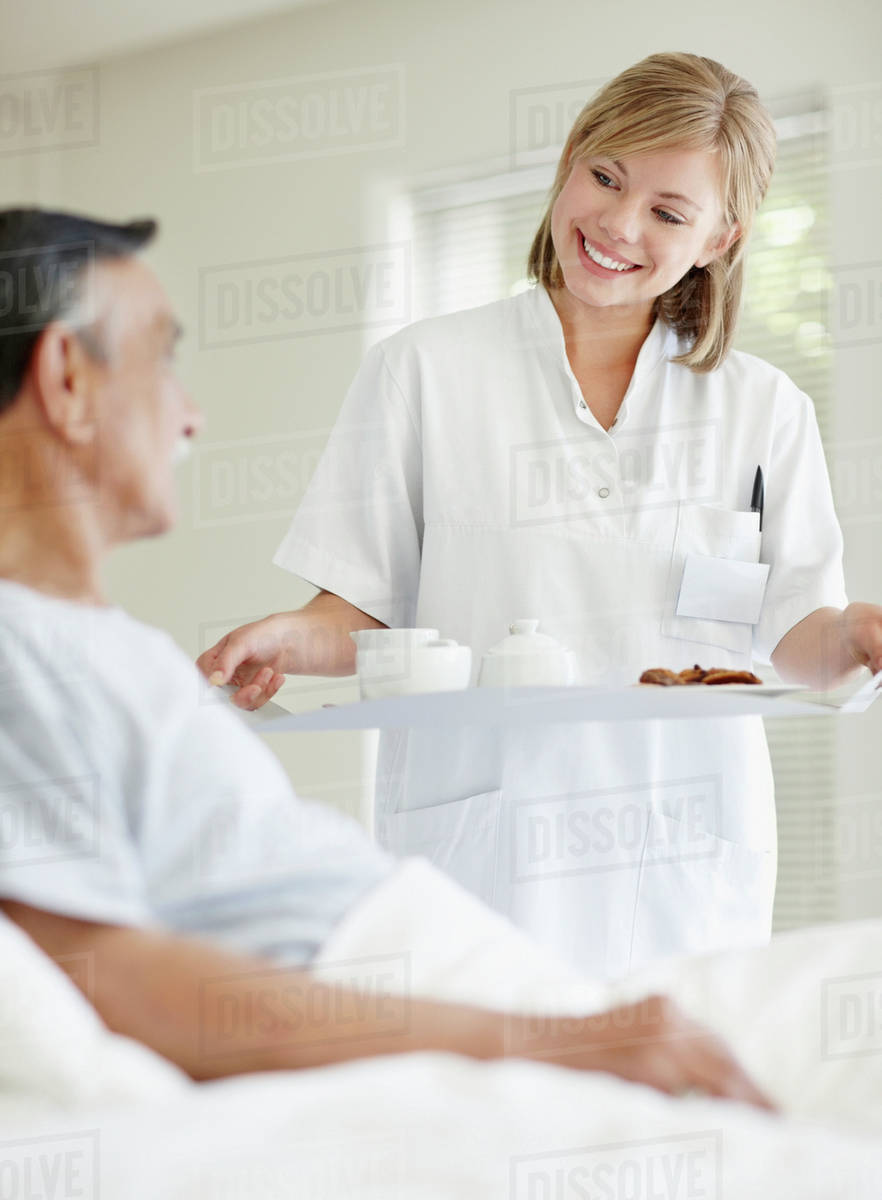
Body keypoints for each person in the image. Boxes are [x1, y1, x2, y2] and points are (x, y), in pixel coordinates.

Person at [0, 206, 770, 1106]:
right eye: (163, 359)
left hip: (465, 980)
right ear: (63, 375)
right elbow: (106, 979)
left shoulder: (104, 648)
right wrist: (542, 1042)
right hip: (439, 1014)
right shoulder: (24, 650)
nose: (193, 416)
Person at [198, 52, 882, 977]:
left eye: (669, 213)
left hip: (684, 867)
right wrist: (289, 635)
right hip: (484, 859)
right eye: (605, 177)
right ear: (571, 161)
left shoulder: (764, 410)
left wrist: (855, 635)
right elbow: (364, 612)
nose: (616, 223)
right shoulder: (426, 374)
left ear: (721, 240)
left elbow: (795, 632)